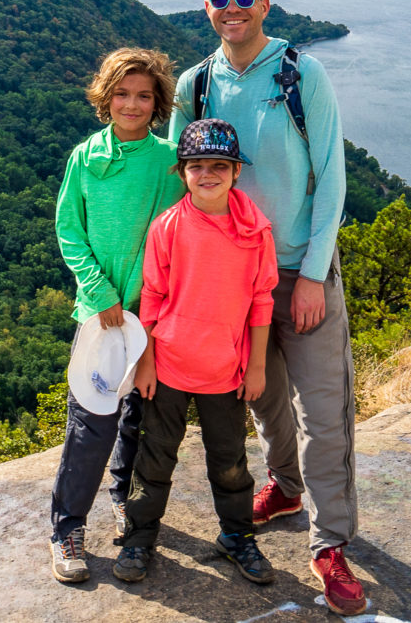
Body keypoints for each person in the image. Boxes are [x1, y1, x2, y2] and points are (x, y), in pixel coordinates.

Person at [169, 0, 367, 615]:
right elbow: (181, 180)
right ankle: (284, 485)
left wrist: (312, 276)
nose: (231, 6)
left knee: (322, 408)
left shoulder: (300, 74)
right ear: (207, 9)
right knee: (263, 396)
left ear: (263, 3)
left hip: (298, 271)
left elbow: (331, 178)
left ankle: (330, 543)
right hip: (230, 282)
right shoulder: (195, 85)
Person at [116, 117, 279, 587]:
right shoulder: (168, 227)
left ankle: (236, 536)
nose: (207, 174)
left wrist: (256, 366)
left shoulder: (255, 231)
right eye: (196, 166)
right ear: (181, 172)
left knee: (229, 463)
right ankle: (140, 536)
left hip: (226, 370)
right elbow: (152, 297)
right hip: (167, 365)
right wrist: (144, 361)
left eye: (219, 165)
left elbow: (262, 300)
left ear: (235, 171)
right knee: (155, 459)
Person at [48, 48, 186, 586]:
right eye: (123, 93)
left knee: (139, 417)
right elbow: (69, 230)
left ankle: (122, 499)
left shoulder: (168, 160)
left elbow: (178, 237)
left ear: (158, 104)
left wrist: (152, 306)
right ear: (105, 98)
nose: (132, 103)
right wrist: (98, 290)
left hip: (149, 314)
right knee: (92, 420)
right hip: (100, 314)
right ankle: (66, 526)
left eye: (144, 95)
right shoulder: (86, 157)